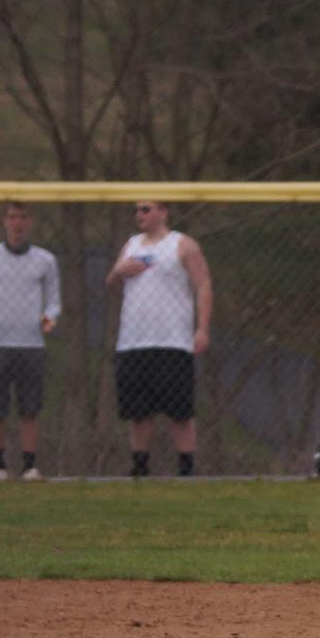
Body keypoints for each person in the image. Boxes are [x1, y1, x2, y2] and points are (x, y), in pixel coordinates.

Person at [105, 201, 213, 477]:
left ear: (163, 212)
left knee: (179, 412)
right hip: (133, 340)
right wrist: (118, 271)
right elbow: (111, 285)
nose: (139, 214)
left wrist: (201, 328)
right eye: (136, 209)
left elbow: (203, 284)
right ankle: (140, 468)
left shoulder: (183, 245)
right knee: (139, 413)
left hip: (172, 340)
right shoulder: (131, 246)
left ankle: (186, 470)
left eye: (146, 209)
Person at [0, 201, 60, 481]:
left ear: (30, 222)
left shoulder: (45, 260)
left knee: (30, 407)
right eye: (12, 217)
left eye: (23, 217)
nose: (17, 223)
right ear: (4, 222)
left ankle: (30, 465)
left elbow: (53, 300)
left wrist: (49, 316)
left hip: (31, 343)